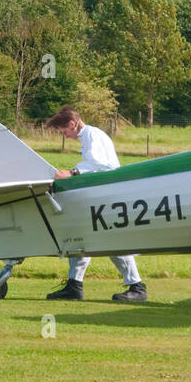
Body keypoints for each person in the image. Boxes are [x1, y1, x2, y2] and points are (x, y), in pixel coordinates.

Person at [44, 106, 147, 303]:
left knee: (112, 241)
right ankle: (74, 286)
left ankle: (137, 288)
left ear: (73, 125)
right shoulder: (90, 136)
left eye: (64, 132)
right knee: (83, 240)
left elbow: (98, 164)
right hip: (104, 195)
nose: (65, 136)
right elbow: (94, 164)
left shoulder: (91, 134)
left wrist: (72, 173)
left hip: (108, 196)